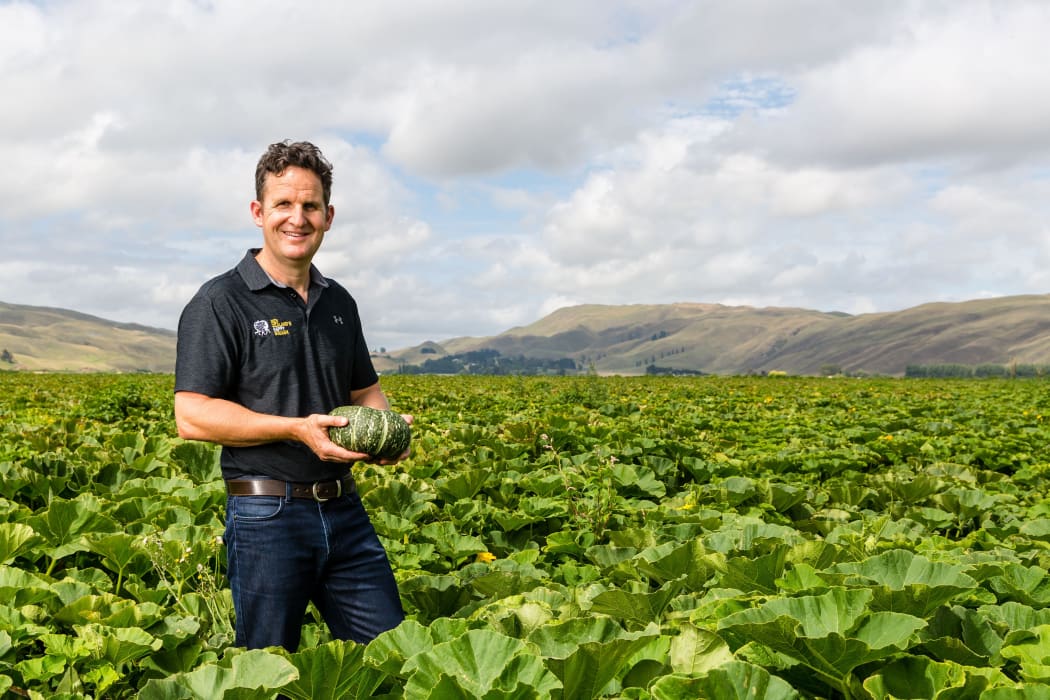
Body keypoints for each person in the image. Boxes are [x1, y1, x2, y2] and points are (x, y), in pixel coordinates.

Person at [173, 139, 407, 651]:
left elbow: (366, 391)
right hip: (266, 515)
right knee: (268, 667)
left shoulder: (339, 301)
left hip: (344, 509)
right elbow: (192, 415)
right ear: (259, 212)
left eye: (310, 206)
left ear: (328, 216)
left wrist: (387, 433)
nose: (296, 218)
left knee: (394, 654)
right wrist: (296, 429)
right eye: (283, 204)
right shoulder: (219, 302)